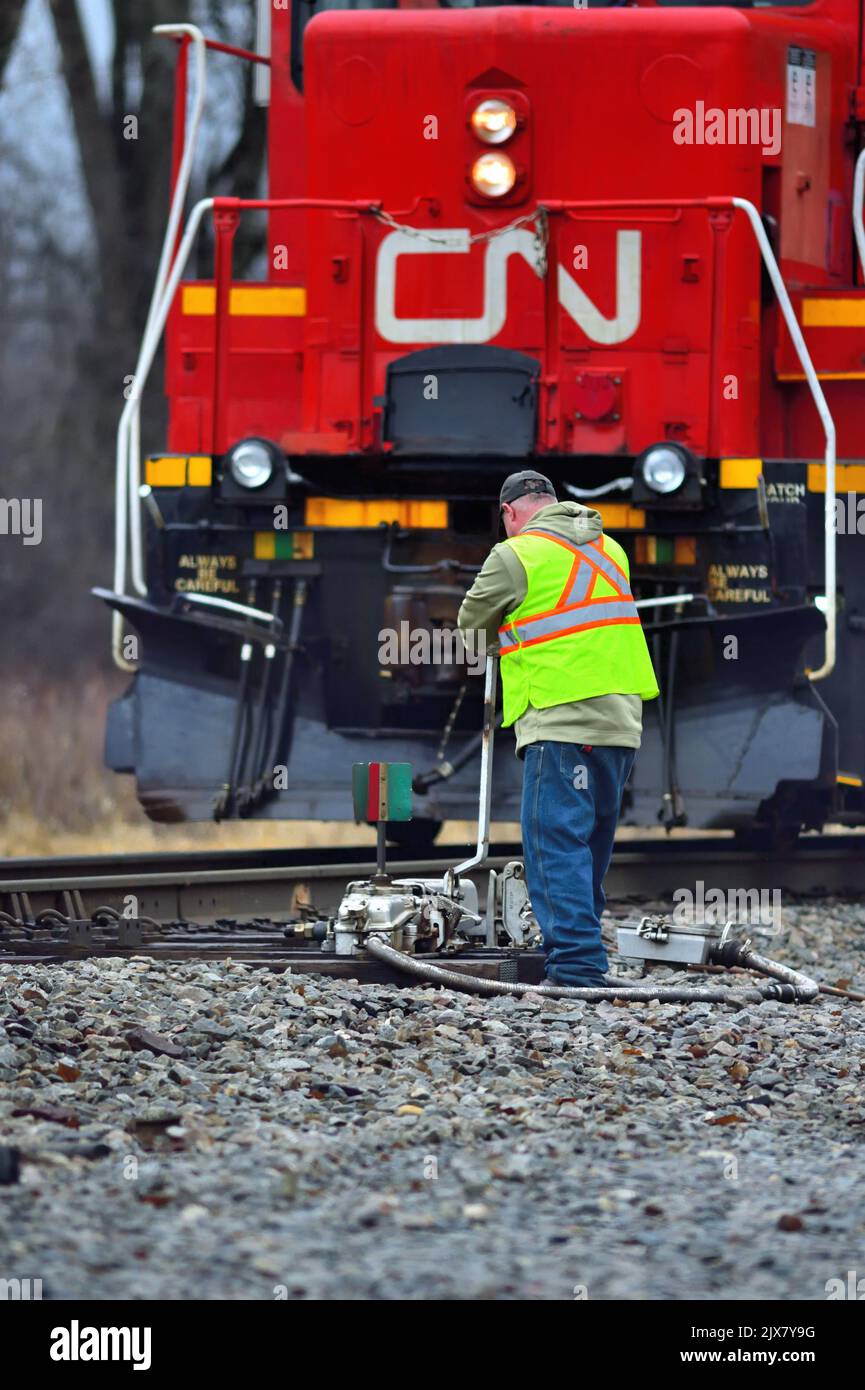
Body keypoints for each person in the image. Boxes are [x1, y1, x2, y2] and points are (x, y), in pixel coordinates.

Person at [457, 470, 659, 986]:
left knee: (554, 843)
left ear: (509, 513)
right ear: (552, 503)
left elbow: (470, 629)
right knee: (588, 846)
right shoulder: (609, 548)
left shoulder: (515, 553)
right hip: (621, 722)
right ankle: (585, 956)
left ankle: (576, 968)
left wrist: (502, 637)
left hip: (561, 717)